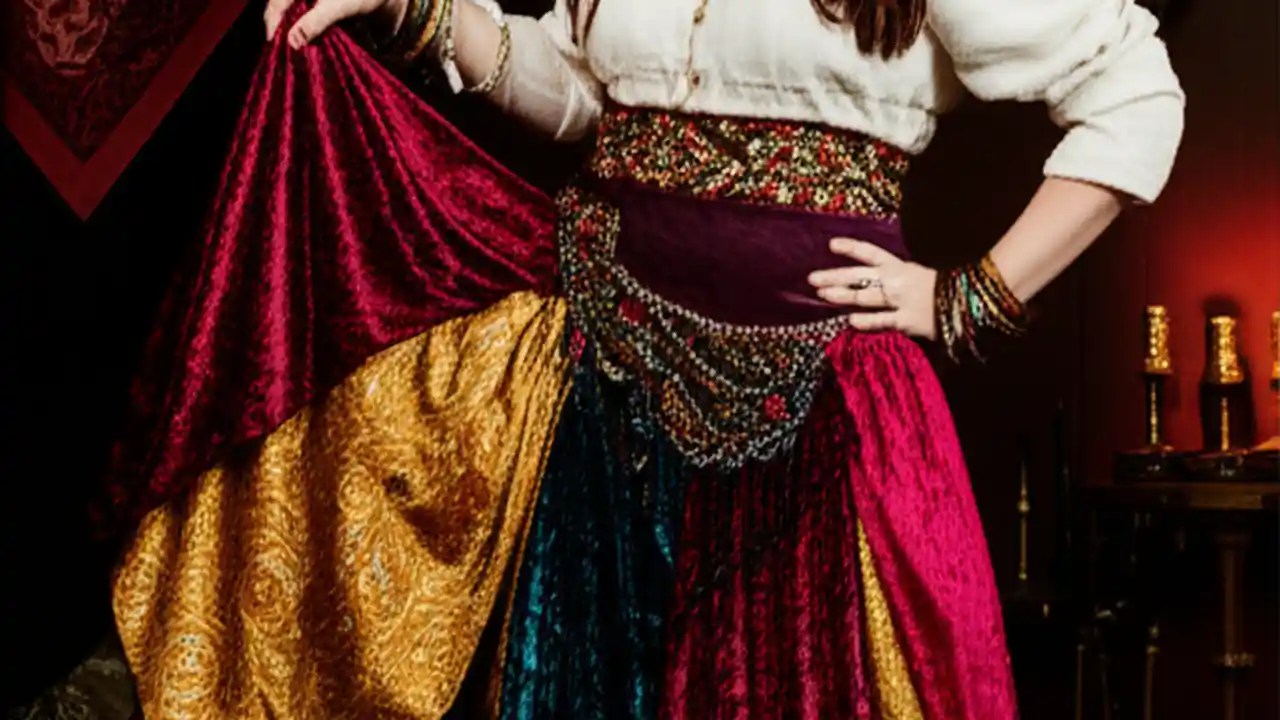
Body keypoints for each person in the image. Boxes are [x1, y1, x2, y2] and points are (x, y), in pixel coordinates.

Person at [110, 0, 1184, 718]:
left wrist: (967, 297)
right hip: (605, 389)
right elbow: (578, 94)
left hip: (821, 408)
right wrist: (414, 9)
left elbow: (1131, 92)